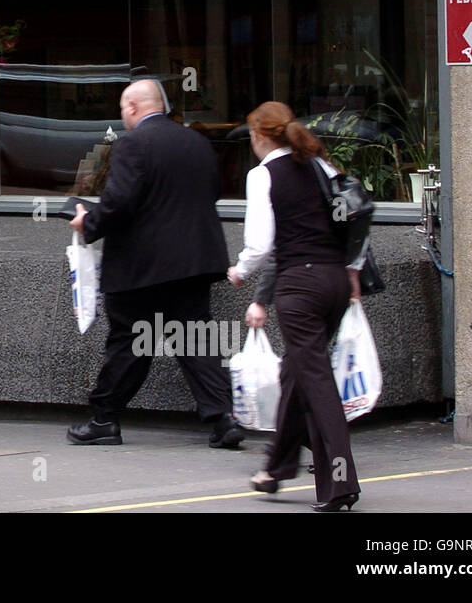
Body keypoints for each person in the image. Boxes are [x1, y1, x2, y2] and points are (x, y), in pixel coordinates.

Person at [68, 79, 243, 448]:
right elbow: (210, 192)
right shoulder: (196, 141)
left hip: (143, 266)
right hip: (194, 261)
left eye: (121, 109)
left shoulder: (132, 144)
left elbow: (119, 202)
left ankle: (104, 418)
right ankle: (224, 418)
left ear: (132, 108)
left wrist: (88, 224)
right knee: (196, 340)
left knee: (129, 343)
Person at [227, 101, 363, 512]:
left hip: (299, 286)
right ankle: (279, 466)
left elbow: (261, 243)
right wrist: (353, 269)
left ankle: (341, 482)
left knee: (317, 384)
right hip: (335, 281)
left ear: (259, 135)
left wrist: (241, 270)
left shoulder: (262, 174)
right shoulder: (322, 166)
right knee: (297, 374)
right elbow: (356, 215)